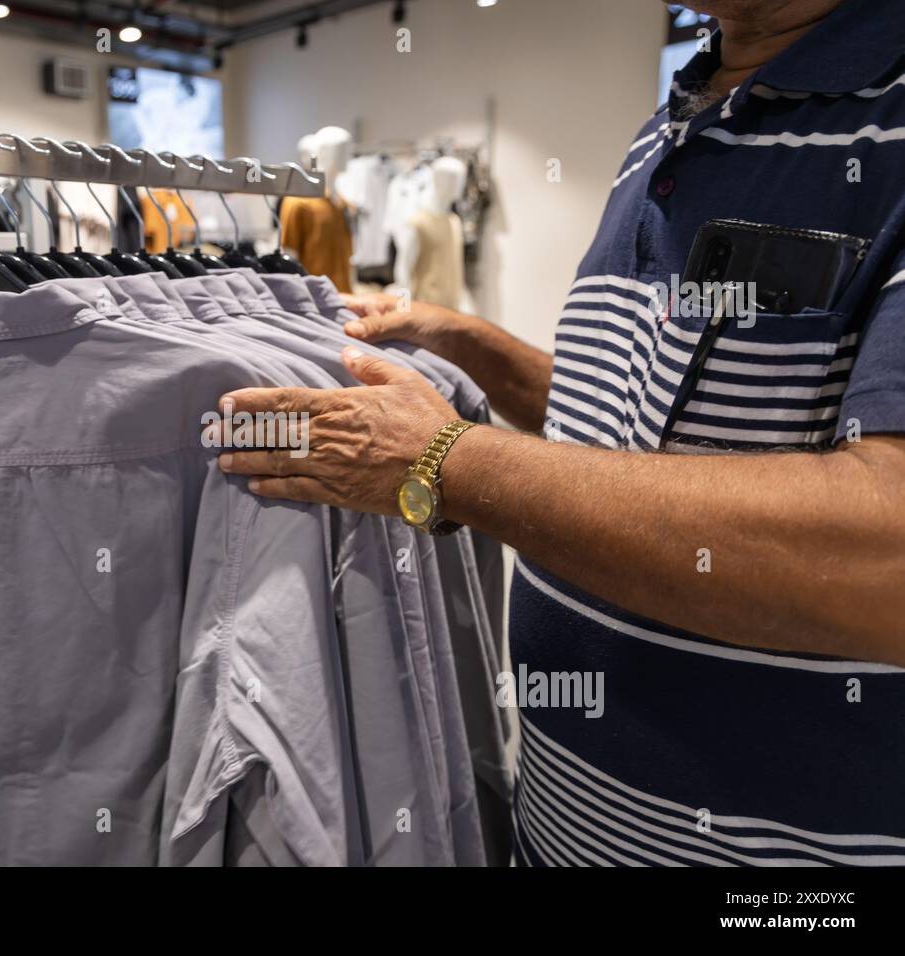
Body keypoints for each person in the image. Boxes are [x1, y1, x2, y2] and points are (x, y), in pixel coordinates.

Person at [215, 0, 905, 865]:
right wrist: (476, 350)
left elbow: (887, 557)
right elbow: (640, 441)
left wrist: (449, 461)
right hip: (558, 827)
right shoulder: (677, 119)